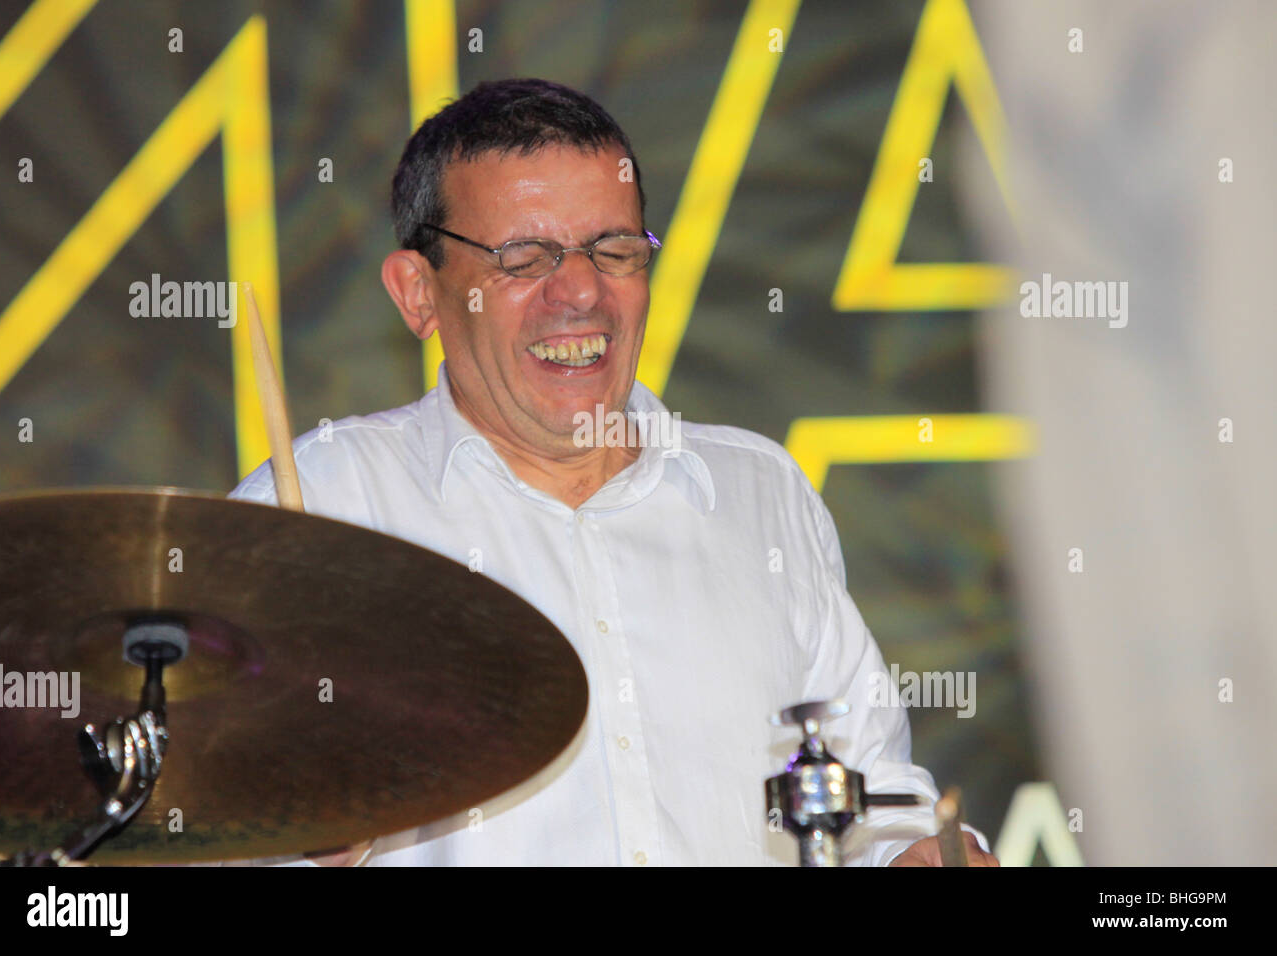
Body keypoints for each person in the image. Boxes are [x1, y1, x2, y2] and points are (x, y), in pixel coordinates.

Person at [230, 77, 997, 867]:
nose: (582, 292)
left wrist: (921, 853)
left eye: (614, 250)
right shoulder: (325, 506)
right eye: (524, 258)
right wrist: (296, 835)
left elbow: (868, 799)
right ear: (420, 294)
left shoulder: (758, 490)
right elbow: (193, 821)